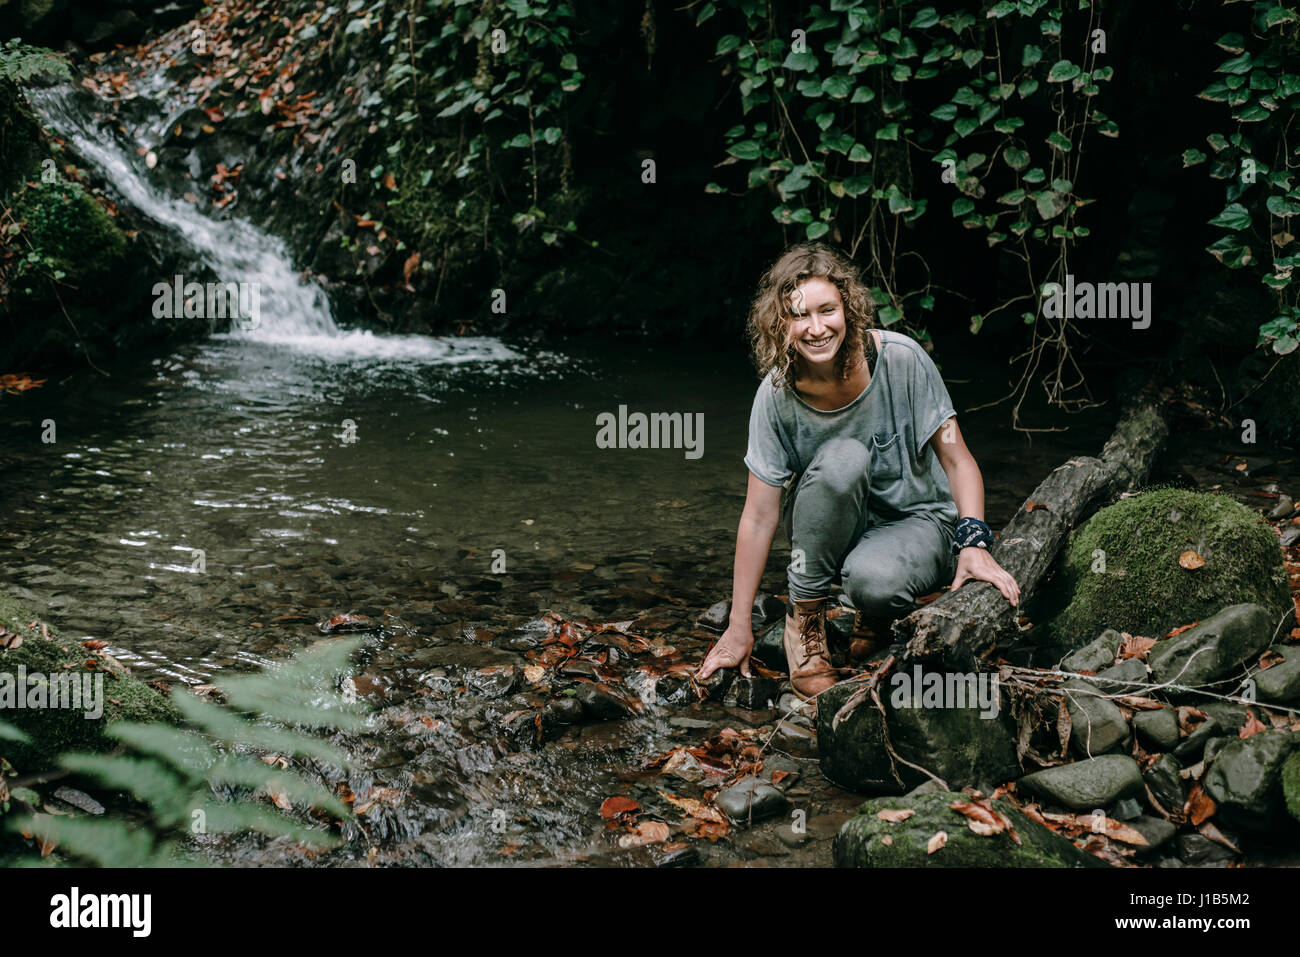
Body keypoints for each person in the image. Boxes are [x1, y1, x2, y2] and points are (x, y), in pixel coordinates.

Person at [696, 242, 1020, 703]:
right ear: (779, 324)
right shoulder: (774, 397)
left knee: (873, 582)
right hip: (836, 529)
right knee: (844, 457)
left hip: (920, 522)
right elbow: (759, 517)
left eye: (827, 310)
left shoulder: (903, 361)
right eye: (799, 316)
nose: (816, 328)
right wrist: (738, 626)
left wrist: (974, 541)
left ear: (847, 307)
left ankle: (875, 609)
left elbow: (957, 459)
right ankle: (804, 621)